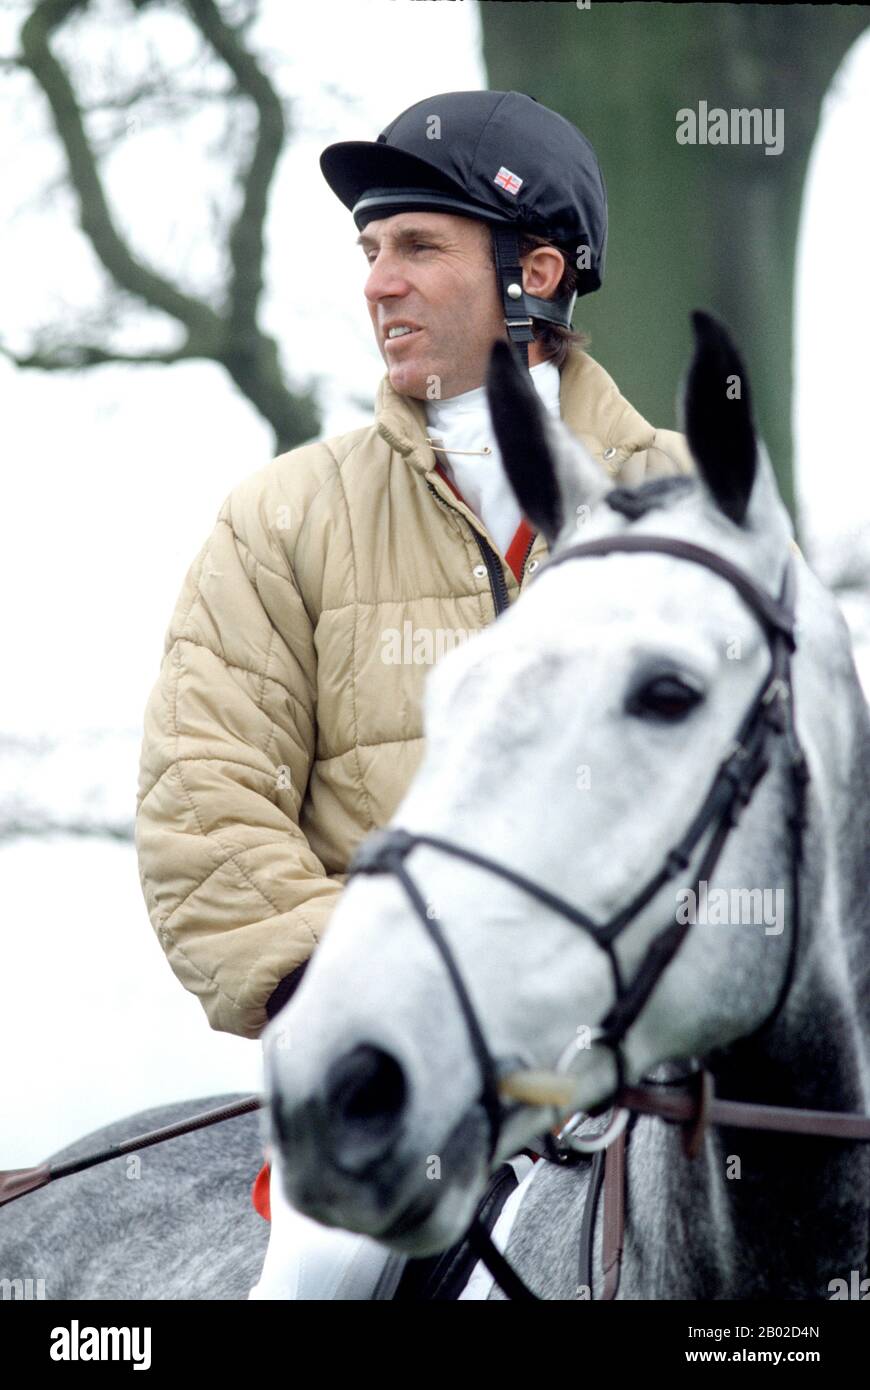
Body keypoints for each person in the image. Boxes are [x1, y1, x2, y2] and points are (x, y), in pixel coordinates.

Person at [134, 89, 693, 1299]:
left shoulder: (688, 510)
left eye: (419, 246)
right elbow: (204, 812)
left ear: (535, 270)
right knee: (315, 1281)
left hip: (659, 1055)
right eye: (371, 251)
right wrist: (370, 994)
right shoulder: (278, 520)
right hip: (396, 1054)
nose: (380, 282)